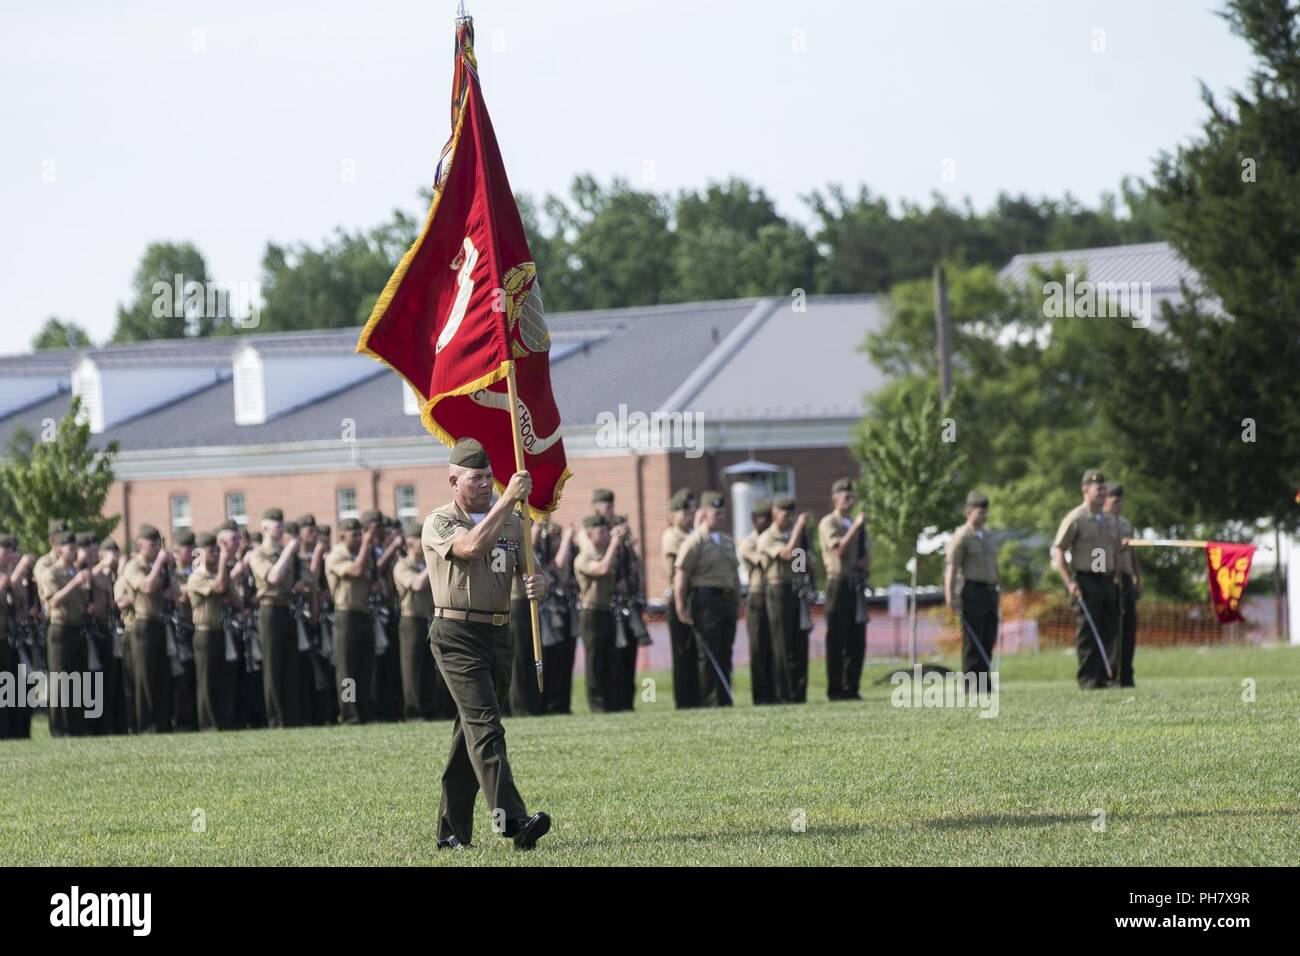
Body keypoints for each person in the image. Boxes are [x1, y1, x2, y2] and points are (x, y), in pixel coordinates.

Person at [421, 437, 551, 851]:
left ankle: (451, 833)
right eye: (475, 478)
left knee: (470, 736)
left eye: (487, 477)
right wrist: (509, 500)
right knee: (487, 727)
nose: (484, 484)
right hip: (456, 634)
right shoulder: (440, 521)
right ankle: (514, 822)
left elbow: (536, 575)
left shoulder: (515, 522)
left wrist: (538, 584)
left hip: (500, 633)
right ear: (453, 480)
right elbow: (472, 547)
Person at [1051, 469, 1121, 690]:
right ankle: (1088, 679)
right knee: (1088, 632)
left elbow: (1115, 549)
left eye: (1104, 488)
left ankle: (1106, 677)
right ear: (1085, 490)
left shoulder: (1109, 520)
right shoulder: (1076, 518)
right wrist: (1069, 582)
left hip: (1107, 580)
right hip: (1086, 580)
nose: (1102, 492)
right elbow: (1058, 549)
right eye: (1098, 488)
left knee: (1109, 630)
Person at [673, 491, 741, 707]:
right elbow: (681, 574)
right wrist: (680, 604)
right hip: (706, 600)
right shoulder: (695, 541)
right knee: (709, 653)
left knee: (725, 649)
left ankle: (724, 697)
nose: (720, 517)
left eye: (722, 513)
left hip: (726, 600)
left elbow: (734, 573)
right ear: (703, 514)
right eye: (716, 513)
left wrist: (738, 600)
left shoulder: (728, 541)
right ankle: (710, 699)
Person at [247, 508, 304, 727]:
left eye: (281, 524)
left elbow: (304, 578)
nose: (280, 528)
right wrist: (288, 552)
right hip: (269, 609)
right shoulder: (258, 554)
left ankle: (291, 717)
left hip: (287, 607)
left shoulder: (286, 552)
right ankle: (276, 719)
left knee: (291, 664)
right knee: (273, 666)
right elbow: (272, 576)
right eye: (275, 525)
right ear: (264, 528)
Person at [121, 524, 177, 732]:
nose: (155, 548)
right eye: (152, 544)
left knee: (162, 677)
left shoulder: (159, 567)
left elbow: (173, 594)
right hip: (142, 624)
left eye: (157, 545)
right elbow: (145, 587)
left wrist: (168, 569)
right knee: (144, 678)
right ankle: (145, 724)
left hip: (160, 623)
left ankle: (163, 724)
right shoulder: (133, 566)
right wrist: (159, 564)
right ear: (140, 545)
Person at [36, 530, 92, 737]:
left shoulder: (73, 571)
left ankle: (76, 727)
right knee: (60, 680)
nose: (75, 551)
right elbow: (53, 601)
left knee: (77, 678)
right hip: (59, 628)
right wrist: (76, 583)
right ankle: (59, 728)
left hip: (76, 628)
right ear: (59, 550)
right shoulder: (51, 573)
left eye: (76, 547)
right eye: (71, 548)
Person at [818, 478, 869, 700]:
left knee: (857, 637)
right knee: (837, 638)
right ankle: (836, 688)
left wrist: (865, 561)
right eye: (846, 496)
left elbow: (865, 553)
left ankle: (852, 686)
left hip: (855, 583)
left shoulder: (854, 524)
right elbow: (838, 550)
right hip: (837, 583)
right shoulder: (829, 523)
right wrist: (856, 527)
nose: (850, 500)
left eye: (852, 496)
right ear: (835, 498)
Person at [759, 496, 813, 703]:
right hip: (779, 590)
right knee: (782, 644)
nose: (789, 518)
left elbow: (800, 563)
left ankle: (799, 693)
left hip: (796, 590)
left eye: (792, 514)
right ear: (774, 514)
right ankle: (783, 693)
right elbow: (788, 554)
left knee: (800, 643)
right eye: (785, 514)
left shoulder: (795, 535)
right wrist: (799, 528)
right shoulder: (768, 537)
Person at [326, 517, 377, 725]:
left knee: (364, 666)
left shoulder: (361, 554)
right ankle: (349, 713)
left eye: (360, 535)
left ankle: (364, 711)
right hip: (345, 614)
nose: (358, 539)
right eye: (354, 535)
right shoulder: (336, 556)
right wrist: (366, 544)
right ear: (341, 537)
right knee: (347, 669)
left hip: (363, 613)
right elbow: (355, 571)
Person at [575, 515, 627, 712]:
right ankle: (596, 703)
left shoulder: (609, 554)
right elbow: (602, 569)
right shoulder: (584, 558)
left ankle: (612, 701)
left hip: (607, 610)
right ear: (590, 534)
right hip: (591, 612)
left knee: (610, 658)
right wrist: (614, 543)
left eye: (607, 531)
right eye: (601, 531)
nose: (606, 535)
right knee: (594, 659)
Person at [944, 491, 999, 675]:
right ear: (969, 512)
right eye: (980, 512)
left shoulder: (988, 535)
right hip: (972, 591)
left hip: (990, 592)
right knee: (973, 641)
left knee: (988, 638)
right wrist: (949, 597)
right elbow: (952, 567)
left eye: (985, 512)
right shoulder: (962, 536)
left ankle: (984, 682)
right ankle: (971, 684)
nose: (984, 516)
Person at [187, 532, 237, 730]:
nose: (216, 554)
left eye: (217, 551)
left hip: (218, 631)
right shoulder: (196, 577)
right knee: (206, 680)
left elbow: (233, 596)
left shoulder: (215, 573)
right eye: (211, 551)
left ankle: (221, 721)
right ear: (199, 554)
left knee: (220, 679)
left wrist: (224, 566)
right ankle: (208, 724)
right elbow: (218, 587)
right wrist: (224, 559)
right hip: (204, 632)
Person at [394, 519, 439, 720]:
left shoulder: (425, 565)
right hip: (410, 620)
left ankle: (429, 709)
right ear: (409, 543)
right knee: (411, 669)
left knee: (428, 667)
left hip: (428, 619)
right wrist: (432, 563)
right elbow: (417, 585)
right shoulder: (402, 566)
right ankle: (413, 712)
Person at [661, 488, 701, 708]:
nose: (688, 516)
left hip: (695, 597)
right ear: (672, 515)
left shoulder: (693, 535)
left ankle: (697, 696)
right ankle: (685, 700)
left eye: (690, 511)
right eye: (683, 512)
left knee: (696, 651)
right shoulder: (672, 536)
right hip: (680, 597)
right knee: (683, 651)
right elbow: (676, 571)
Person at [738, 500, 776, 705]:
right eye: (764, 518)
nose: (768, 522)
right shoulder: (749, 542)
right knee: (759, 648)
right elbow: (763, 561)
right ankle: (761, 695)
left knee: (775, 647)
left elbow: (801, 560)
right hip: (757, 597)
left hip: (774, 596)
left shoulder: (774, 538)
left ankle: (776, 691)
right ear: (754, 520)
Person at [1104, 484, 1140, 688]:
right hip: (1109, 578)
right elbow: (1099, 554)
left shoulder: (1126, 524)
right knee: (1112, 629)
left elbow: (1133, 555)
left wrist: (1137, 578)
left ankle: (1127, 674)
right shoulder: (1101, 523)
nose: (1119, 504)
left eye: (1121, 500)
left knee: (1129, 628)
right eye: (1115, 500)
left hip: (1126, 578)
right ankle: (1111, 673)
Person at [0, 537, 36, 739]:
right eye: (5, 552)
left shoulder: (10, 576)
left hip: (9, 639)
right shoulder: (8, 577)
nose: (9, 557)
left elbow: (17, 608)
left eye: (12, 552)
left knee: (13, 689)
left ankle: (13, 731)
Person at [170, 530, 198, 732]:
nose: (191, 553)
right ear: (176, 553)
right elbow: (180, 598)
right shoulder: (172, 575)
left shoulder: (198, 572)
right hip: (181, 630)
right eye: (187, 549)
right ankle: (182, 720)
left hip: (199, 629)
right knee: (183, 677)